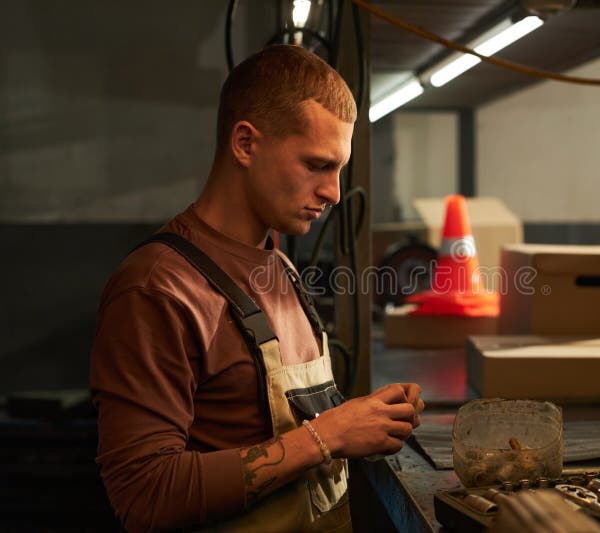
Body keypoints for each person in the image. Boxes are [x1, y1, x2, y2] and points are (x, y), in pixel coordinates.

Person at [90, 44, 424, 533]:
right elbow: (144, 493)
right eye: (316, 165)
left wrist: (365, 420)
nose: (333, 192)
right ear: (245, 144)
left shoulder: (281, 268)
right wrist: (327, 435)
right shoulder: (157, 287)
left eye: (339, 170)